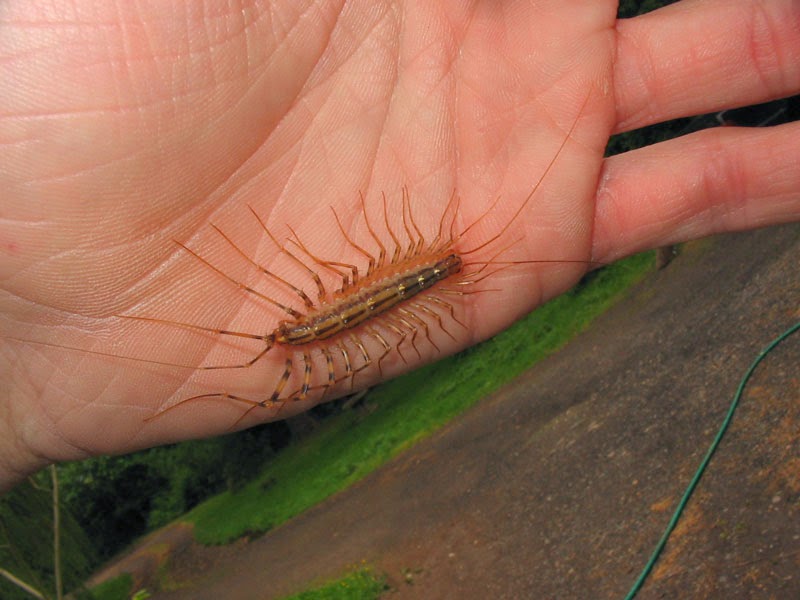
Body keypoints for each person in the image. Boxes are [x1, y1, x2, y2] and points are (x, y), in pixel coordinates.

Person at [1, 0, 799, 493]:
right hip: (323, 325)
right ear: (433, 260)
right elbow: (389, 288)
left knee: (356, 300)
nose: (437, 262)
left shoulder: (403, 270)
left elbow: (384, 281)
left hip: (328, 319)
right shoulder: (404, 278)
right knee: (347, 313)